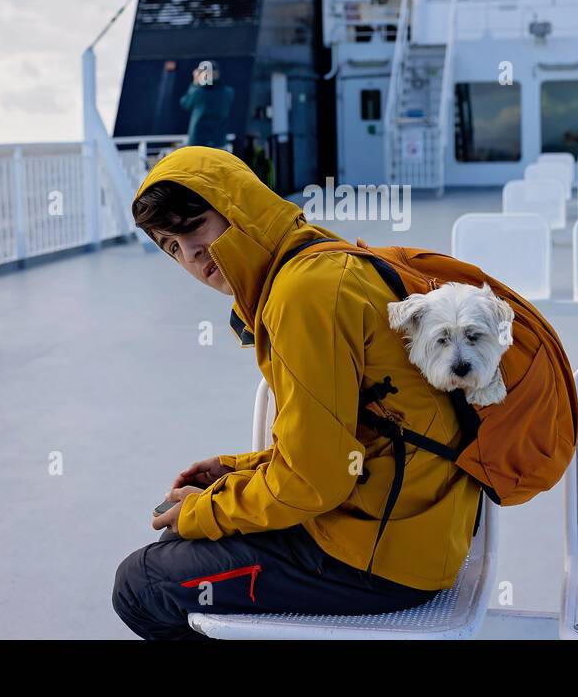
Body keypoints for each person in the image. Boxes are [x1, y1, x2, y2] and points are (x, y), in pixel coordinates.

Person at [112, 146, 482, 639]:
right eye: (170, 245)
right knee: (174, 550)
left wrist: (205, 510)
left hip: (383, 557)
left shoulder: (303, 295)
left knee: (141, 584)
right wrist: (236, 471)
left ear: (239, 204)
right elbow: (347, 438)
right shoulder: (313, 261)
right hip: (409, 524)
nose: (191, 253)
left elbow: (318, 481)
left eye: (195, 224)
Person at [179, 61, 235, 149]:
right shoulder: (229, 92)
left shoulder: (199, 92)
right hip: (219, 140)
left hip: (198, 141)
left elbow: (185, 103)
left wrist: (195, 84)